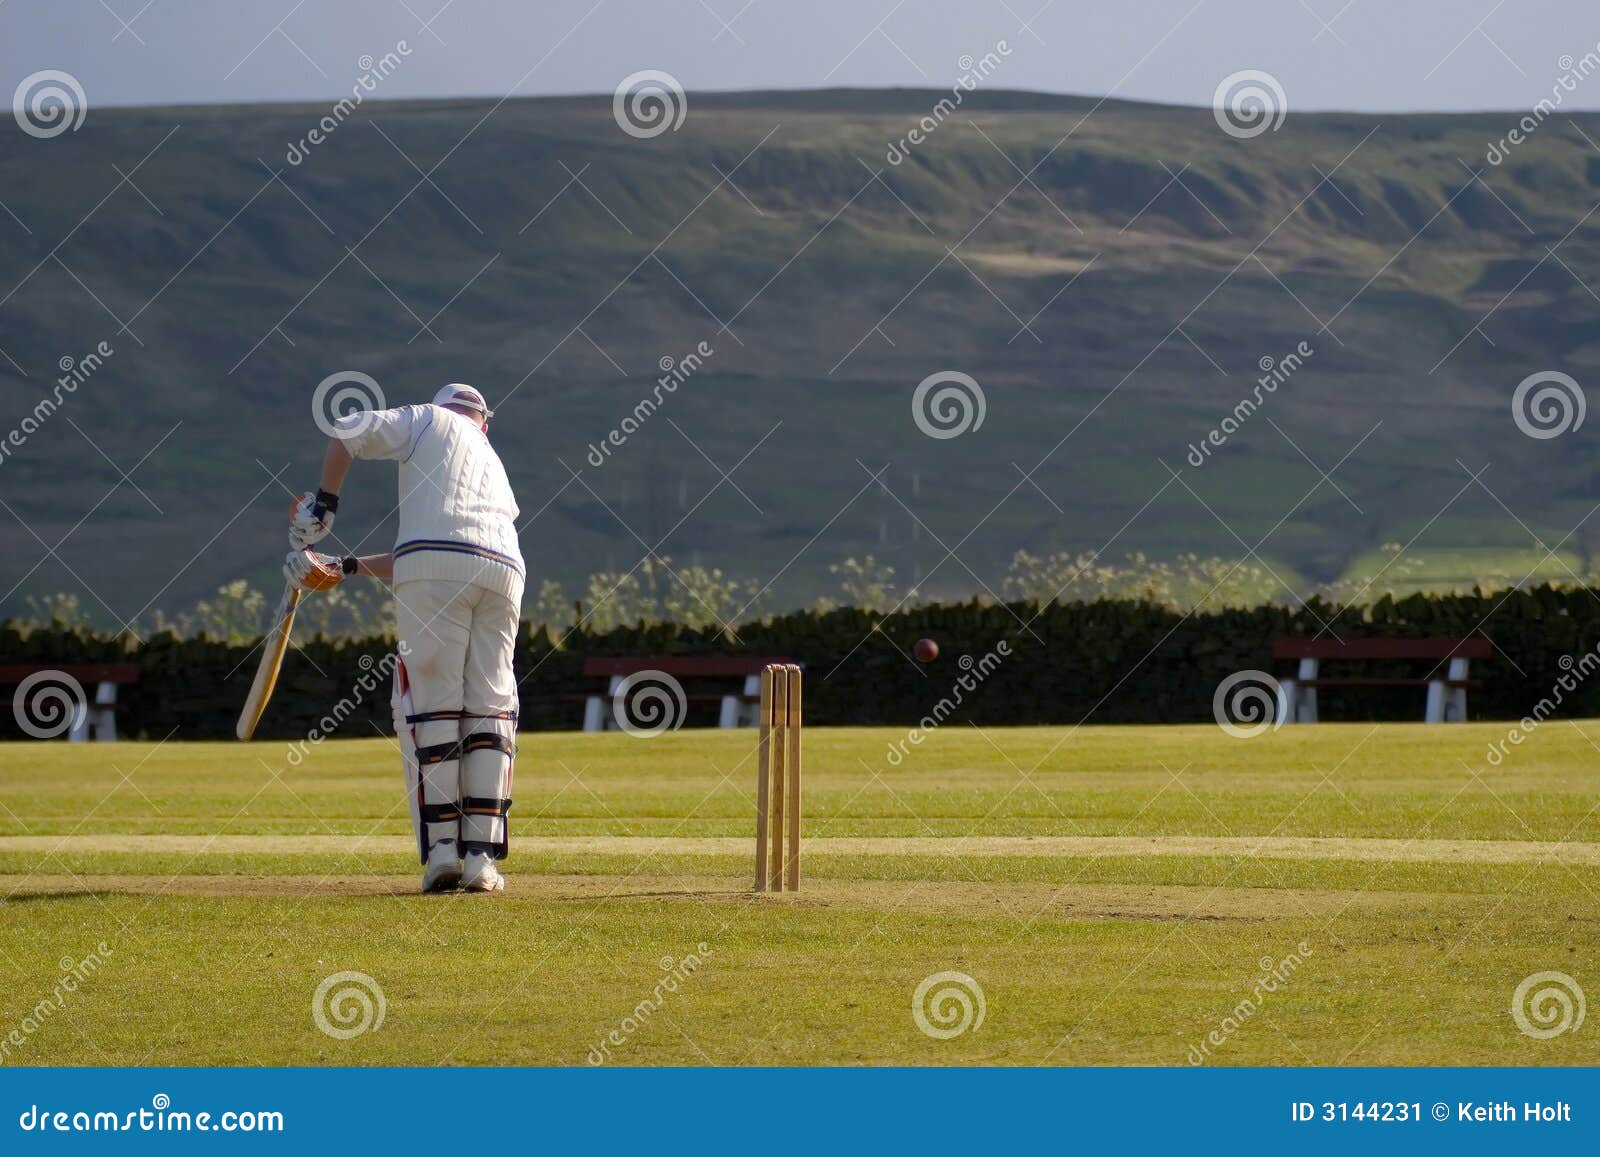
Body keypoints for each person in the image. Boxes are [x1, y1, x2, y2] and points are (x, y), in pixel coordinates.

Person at [283, 383, 523, 894]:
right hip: (504, 571)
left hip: (437, 571)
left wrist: (323, 507)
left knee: (432, 702)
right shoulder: (492, 462)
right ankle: (482, 860)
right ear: (485, 422)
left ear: (444, 410)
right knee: (491, 706)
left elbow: (347, 430)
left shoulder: (424, 420)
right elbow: (435, 553)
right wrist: (344, 566)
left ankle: (442, 854)